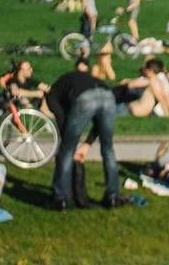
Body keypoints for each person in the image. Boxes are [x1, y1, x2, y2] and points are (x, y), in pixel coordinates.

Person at [48, 59, 124, 210]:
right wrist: (87, 143)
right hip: (108, 96)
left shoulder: (55, 90)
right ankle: (113, 196)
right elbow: (98, 126)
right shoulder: (88, 78)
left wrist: (66, 135)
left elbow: (57, 110)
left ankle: (61, 198)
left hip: (86, 97)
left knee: (66, 150)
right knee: (108, 148)